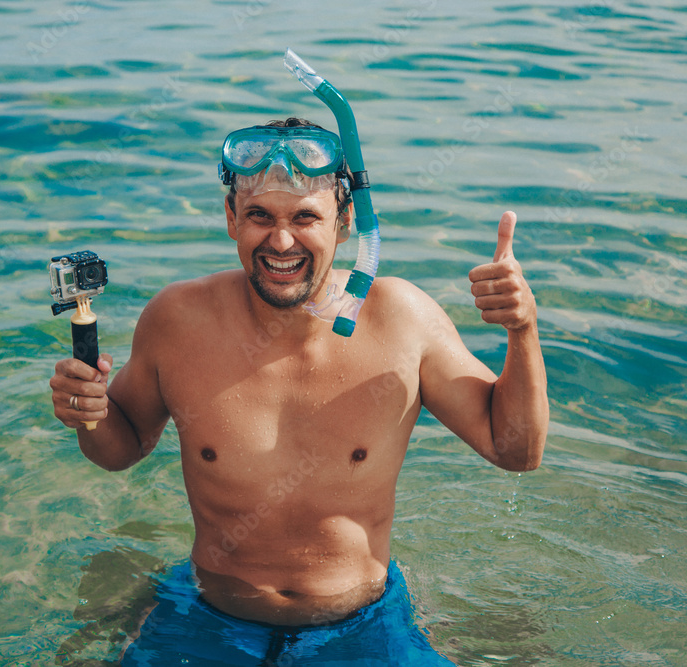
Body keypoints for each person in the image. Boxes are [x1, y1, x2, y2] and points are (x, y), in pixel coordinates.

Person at [49, 117, 549, 665]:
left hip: (362, 628)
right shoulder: (178, 319)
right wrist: (89, 410)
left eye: (305, 217)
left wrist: (522, 328)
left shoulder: (401, 320)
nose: (281, 241)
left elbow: (516, 450)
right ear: (231, 217)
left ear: (345, 221)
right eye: (260, 215)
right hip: (205, 617)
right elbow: (119, 450)